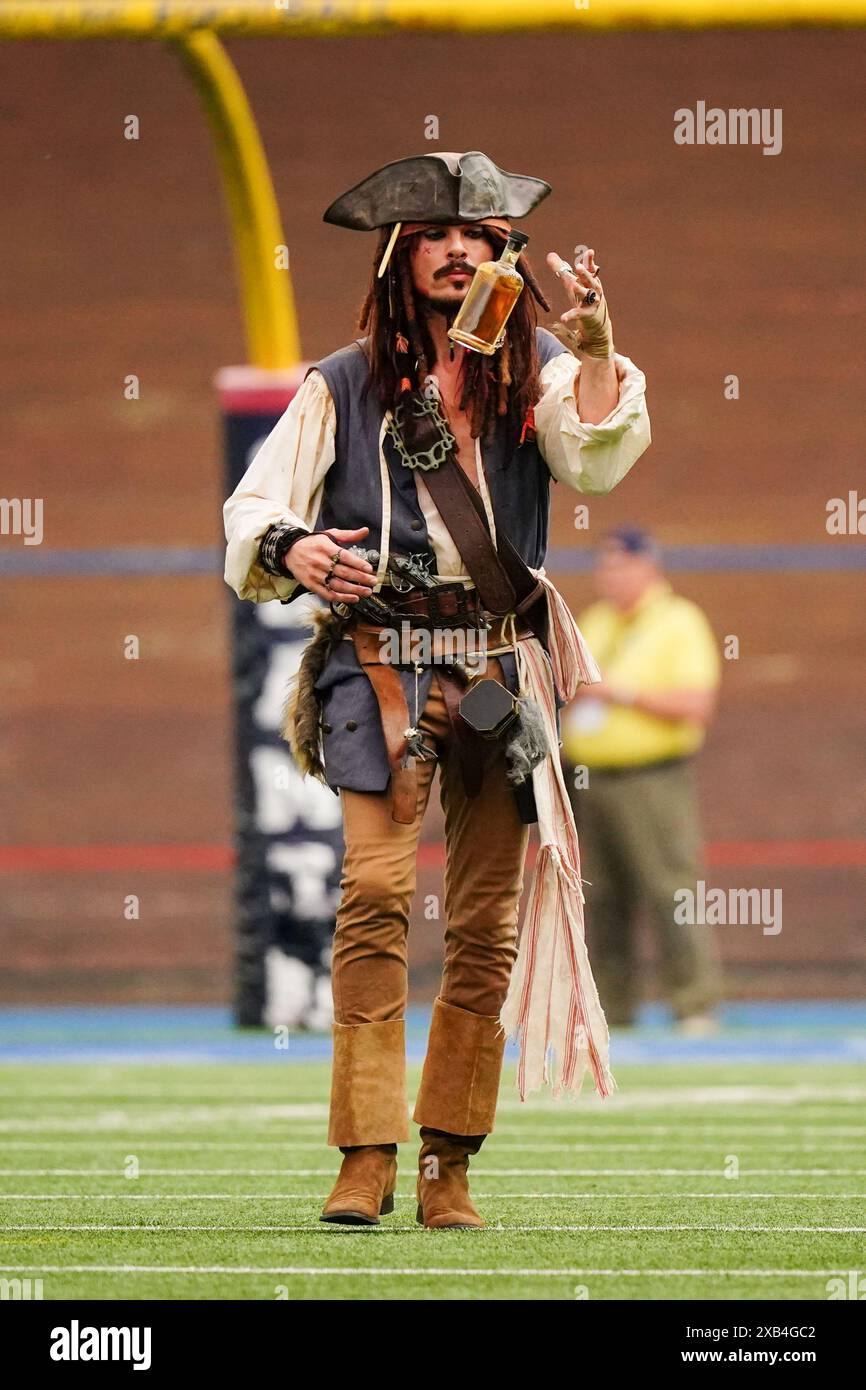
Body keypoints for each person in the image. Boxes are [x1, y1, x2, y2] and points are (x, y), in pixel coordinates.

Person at [223, 151, 651, 1229]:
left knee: (484, 924)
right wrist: (294, 548)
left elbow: (595, 456)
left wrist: (597, 351)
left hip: (501, 671)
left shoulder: (545, 362)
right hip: (374, 663)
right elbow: (252, 513)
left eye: (478, 232)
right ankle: (364, 1152)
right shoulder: (340, 382)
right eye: (433, 233)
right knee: (370, 897)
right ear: (397, 257)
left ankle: (447, 1160)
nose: (458, 247)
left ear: (504, 252)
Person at [562, 525, 724, 1035]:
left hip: (652, 779)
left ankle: (694, 1003)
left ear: (648, 567)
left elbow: (695, 706)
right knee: (604, 896)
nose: (609, 577)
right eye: (603, 566)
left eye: (620, 566)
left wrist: (620, 694)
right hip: (591, 779)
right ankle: (613, 1007)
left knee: (671, 887)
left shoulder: (679, 622)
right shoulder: (595, 620)